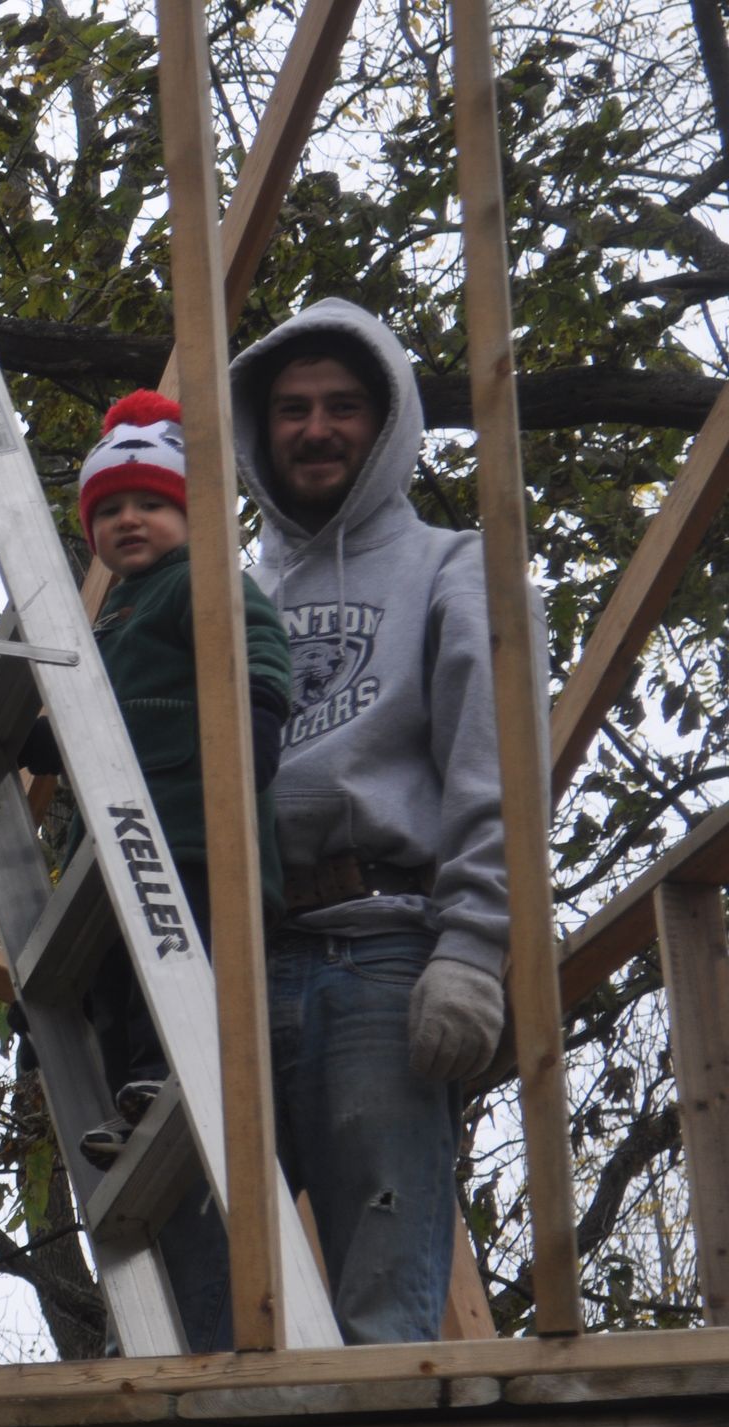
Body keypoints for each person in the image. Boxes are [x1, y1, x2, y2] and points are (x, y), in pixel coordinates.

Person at [225, 298, 528, 1345]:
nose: (316, 427)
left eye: (345, 405)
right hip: (241, 964)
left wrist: (474, 949)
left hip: (383, 951)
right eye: (294, 408)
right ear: (259, 433)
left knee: (383, 1304)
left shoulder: (452, 566)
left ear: (388, 420)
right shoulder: (227, 595)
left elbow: (495, 769)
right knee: (211, 1302)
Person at [20, 390, 293, 1169]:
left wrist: (260, 715)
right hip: (114, 840)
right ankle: (127, 1098)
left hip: (192, 825)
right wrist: (48, 739)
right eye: (110, 512)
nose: (128, 521)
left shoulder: (200, 582)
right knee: (108, 974)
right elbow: (99, 714)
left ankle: (166, 1073)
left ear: (193, 516)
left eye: (151, 503)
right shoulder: (107, 621)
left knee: (177, 965)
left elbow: (257, 645)